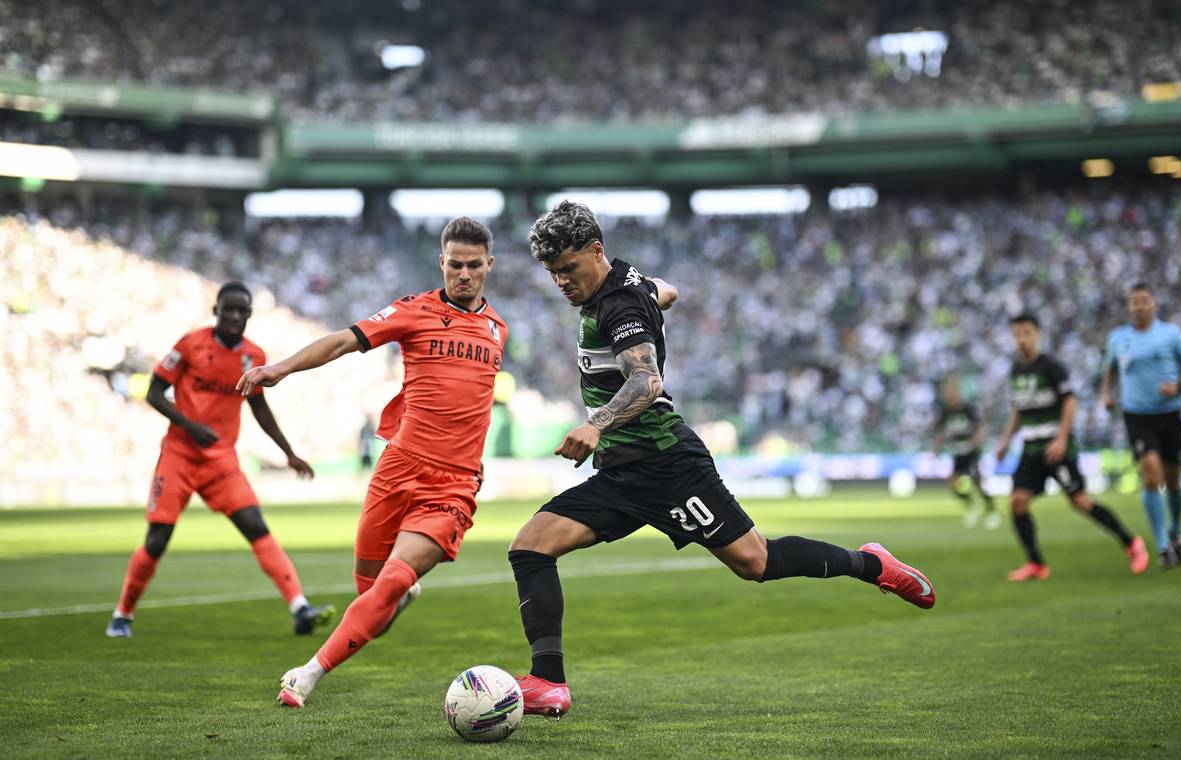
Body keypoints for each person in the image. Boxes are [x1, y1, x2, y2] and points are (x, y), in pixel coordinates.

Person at [507, 201, 936, 719]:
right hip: (623, 474)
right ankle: (548, 682)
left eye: (569, 269)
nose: (561, 281)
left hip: (668, 465)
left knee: (757, 563)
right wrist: (657, 295)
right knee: (530, 547)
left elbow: (647, 381)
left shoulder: (618, 306)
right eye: (553, 273)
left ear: (597, 251)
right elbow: (668, 290)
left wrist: (593, 425)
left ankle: (873, 566)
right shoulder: (625, 285)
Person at [235, 218, 509, 709]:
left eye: (473, 265)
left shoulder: (497, 329)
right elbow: (343, 340)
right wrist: (280, 368)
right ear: (441, 262)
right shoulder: (413, 311)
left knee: (389, 583)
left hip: (452, 485)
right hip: (398, 468)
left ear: (489, 265)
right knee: (369, 592)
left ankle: (307, 674)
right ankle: (396, 596)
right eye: (454, 264)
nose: (463, 274)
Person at [106, 281, 333, 638]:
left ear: (249, 316)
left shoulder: (254, 357)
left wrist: (288, 453)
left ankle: (300, 607)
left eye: (242, 310)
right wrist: (190, 425)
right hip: (179, 456)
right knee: (157, 540)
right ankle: (123, 615)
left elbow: (259, 406)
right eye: (228, 309)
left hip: (220, 462)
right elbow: (153, 392)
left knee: (256, 525)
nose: (234, 316)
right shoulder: (190, 345)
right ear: (216, 311)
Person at [995, 313, 1149, 581]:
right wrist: (1006, 440)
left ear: (1037, 334)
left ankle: (1131, 543)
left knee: (1080, 501)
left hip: (1056, 449)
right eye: (1017, 334)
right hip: (1031, 449)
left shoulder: (1051, 367)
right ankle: (1036, 564)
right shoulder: (1016, 370)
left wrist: (1062, 439)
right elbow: (1018, 409)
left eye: (1027, 333)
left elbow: (1070, 401)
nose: (1021, 339)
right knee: (1018, 502)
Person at [1100, 284, 1181, 567]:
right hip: (1137, 416)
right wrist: (1106, 394)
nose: (1139, 307)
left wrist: (1179, 385)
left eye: (1144, 301)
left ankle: (1176, 529)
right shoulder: (1118, 338)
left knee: (1173, 478)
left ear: (1154, 305)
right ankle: (1162, 544)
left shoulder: (1171, 335)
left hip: (1169, 414)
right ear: (1129, 306)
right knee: (1151, 475)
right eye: (1134, 302)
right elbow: (1109, 369)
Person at [931, 376, 999, 529]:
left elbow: (981, 426)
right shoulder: (944, 412)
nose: (950, 396)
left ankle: (991, 511)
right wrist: (935, 450)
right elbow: (938, 432)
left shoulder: (968, 408)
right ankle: (971, 505)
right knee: (952, 484)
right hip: (957, 451)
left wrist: (976, 441)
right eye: (948, 393)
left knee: (978, 482)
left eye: (952, 393)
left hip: (971, 450)